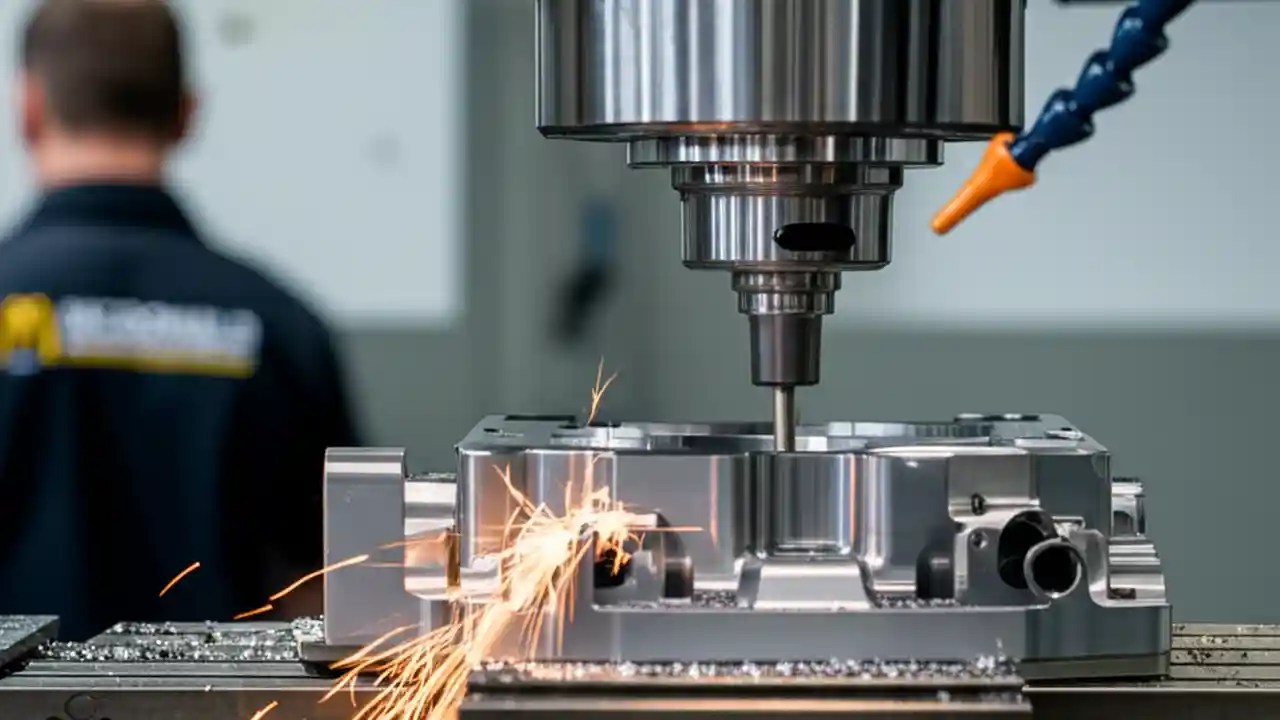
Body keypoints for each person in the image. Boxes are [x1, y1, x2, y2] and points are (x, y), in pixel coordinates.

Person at [0, 0, 359, 640]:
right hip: (220, 694)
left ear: (27, 109)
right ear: (187, 115)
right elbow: (336, 579)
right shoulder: (277, 325)